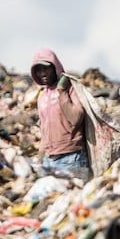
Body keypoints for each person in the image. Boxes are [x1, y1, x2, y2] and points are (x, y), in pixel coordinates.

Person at [30, 48, 89, 177]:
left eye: (46, 68)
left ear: (55, 68)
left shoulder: (71, 89)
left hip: (72, 158)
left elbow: (76, 118)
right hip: (49, 161)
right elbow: (44, 129)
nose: (42, 73)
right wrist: (40, 157)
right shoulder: (42, 97)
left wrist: (62, 91)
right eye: (38, 70)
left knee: (75, 190)